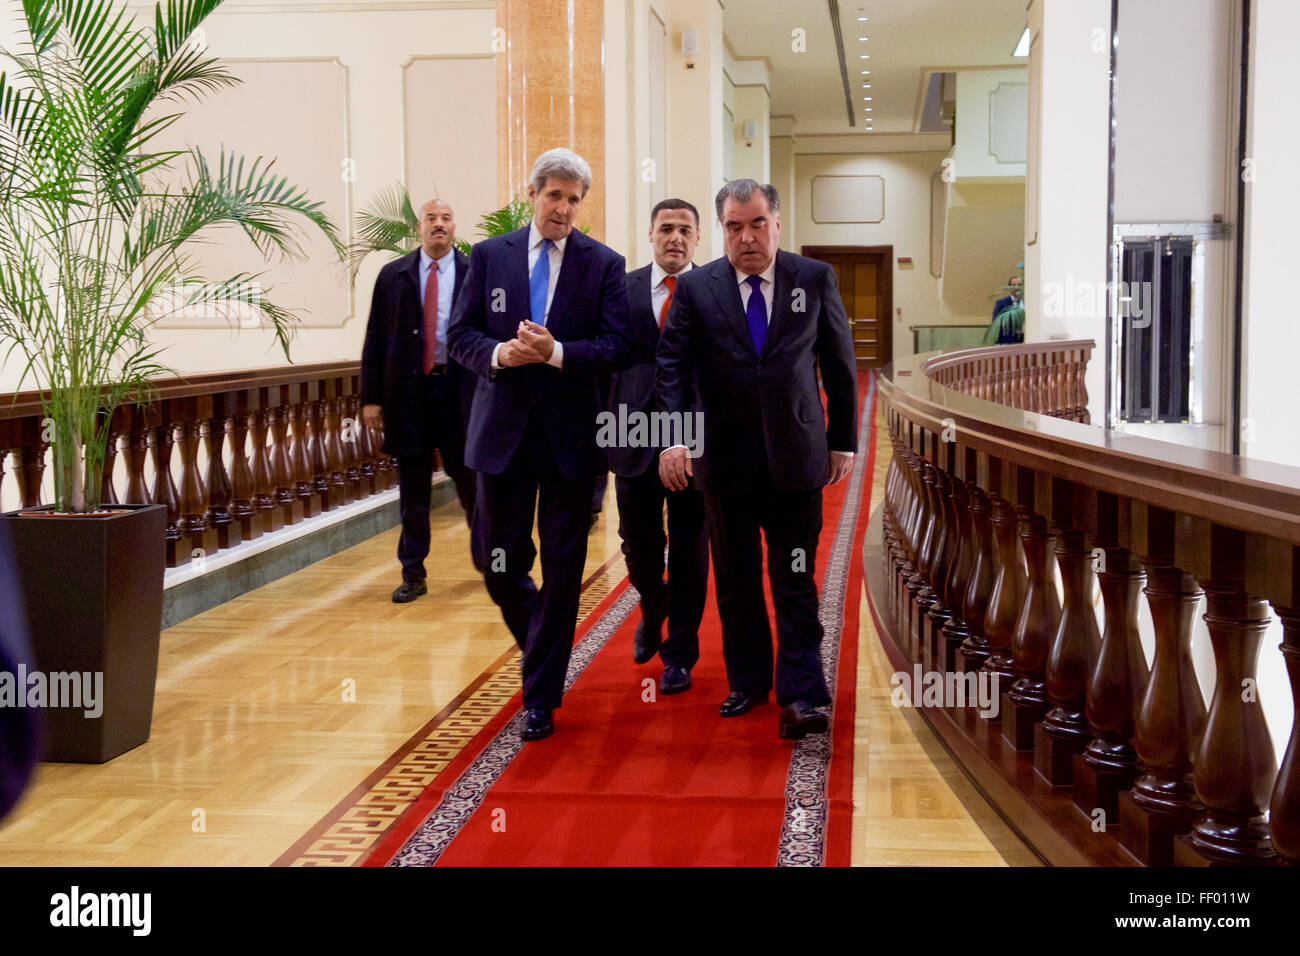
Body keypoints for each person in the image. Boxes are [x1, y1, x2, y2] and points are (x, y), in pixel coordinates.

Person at [657, 179, 858, 740]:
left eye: (757, 224)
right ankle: (748, 681)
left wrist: (843, 440)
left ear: (777, 223)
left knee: (795, 578)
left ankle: (802, 694)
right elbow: (671, 368)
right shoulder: (697, 288)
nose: (746, 238)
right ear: (721, 229)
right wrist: (674, 439)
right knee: (738, 580)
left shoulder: (812, 279)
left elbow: (840, 366)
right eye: (733, 227)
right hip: (723, 462)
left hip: (797, 459)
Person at [447, 147, 633, 742]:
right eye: (554, 195)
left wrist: (554, 352)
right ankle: (541, 643)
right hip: (500, 437)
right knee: (497, 563)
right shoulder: (489, 255)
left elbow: (616, 347)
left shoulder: (603, 264)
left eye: (575, 200)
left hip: (571, 444)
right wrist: (503, 354)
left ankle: (541, 696)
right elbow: (460, 335)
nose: (564, 208)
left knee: (562, 569)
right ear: (532, 195)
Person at [606, 198, 708, 696]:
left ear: (697, 238)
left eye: (684, 230)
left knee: (690, 549)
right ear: (650, 234)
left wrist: (689, 438)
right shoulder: (620, 289)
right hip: (629, 432)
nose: (675, 237)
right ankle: (653, 603)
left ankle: (680, 656)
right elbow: (604, 361)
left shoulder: (715, 292)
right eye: (666, 228)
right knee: (639, 545)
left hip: (694, 439)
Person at [360, 199, 476, 603]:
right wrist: (371, 399)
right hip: (409, 398)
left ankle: (490, 562)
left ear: (454, 227)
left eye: (446, 219)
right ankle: (413, 572)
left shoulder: (473, 273)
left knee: (472, 483)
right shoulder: (393, 276)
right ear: (419, 227)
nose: (439, 225)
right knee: (413, 492)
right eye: (432, 219)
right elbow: (375, 338)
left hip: (461, 397)